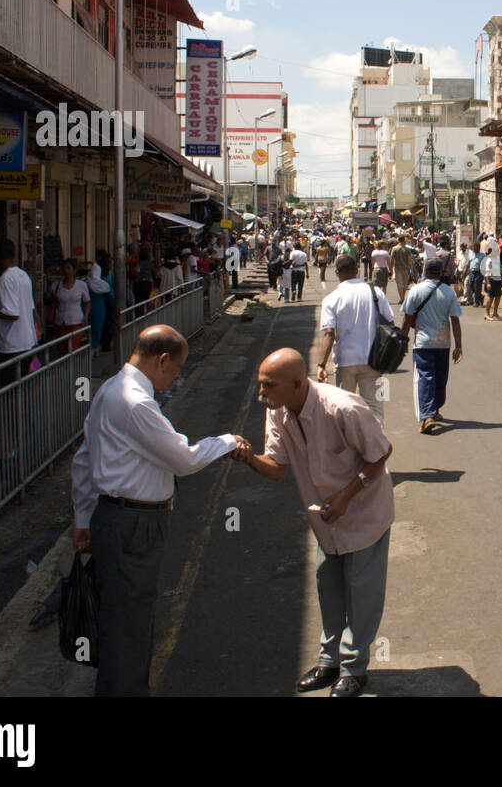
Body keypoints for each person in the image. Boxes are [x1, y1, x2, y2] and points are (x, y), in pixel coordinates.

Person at [71, 325, 241, 696]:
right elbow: (183, 458)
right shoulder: (136, 402)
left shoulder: (110, 390)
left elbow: (84, 460)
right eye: (177, 367)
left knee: (125, 619)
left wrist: (83, 519)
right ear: (161, 360)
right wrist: (226, 441)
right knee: (128, 626)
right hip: (134, 523)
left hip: (116, 518)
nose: (177, 375)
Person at [233, 348, 393, 697]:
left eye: (268, 386)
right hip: (325, 519)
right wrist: (247, 457)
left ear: (295, 384)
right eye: (260, 386)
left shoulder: (342, 407)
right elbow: (276, 469)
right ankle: (329, 662)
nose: (262, 394)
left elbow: (380, 453)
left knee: (361, 594)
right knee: (329, 588)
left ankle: (354, 669)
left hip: (364, 514)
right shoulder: (278, 410)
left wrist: (348, 496)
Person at [317, 255, 394, 425]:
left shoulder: (331, 299)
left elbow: (329, 333)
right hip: (373, 361)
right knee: (374, 408)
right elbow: (390, 321)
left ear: (337, 273)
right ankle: (375, 447)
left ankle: (348, 446)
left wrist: (321, 365)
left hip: (345, 363)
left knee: (343, 408)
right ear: (357, 269)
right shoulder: (375, 292)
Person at [402, 258, 464, 434]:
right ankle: (433, 410)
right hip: (443, 343)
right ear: (440, 273)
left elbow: (406, 319)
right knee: (440, 378)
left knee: (426, 377)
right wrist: (458, 345)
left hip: (422, 343)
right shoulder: (449, 293)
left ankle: (429, 414)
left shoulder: (415, 290)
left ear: (426, 272)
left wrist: (404, 340)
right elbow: (455, 320)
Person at [0, 238, 40, 385]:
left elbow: (12, 314)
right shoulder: (23, 275)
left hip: (13, 344)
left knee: (10, 388)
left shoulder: (6, 279)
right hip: (26, 341)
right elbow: (31, 308)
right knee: (18, 387)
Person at [48, 258, 90, 354]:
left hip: (76, 321)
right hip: (60, 321)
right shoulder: (57, 285)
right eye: (64, 268)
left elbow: (87, 302)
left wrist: (86, 316)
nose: (66, 270)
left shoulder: (82, 285)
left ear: (74, 270)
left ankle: (72, 367)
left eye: (68, 268)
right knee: (62, 348)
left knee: (73, 347)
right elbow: (50, 297)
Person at [89, 251, 115, 356]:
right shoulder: (109, 274)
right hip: (108, 300)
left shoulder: (96, 276)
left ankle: (98, 344)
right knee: (107, 322)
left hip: (100, 302)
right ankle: (104, 343)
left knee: (100, 324)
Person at [483, 244, 502, 321]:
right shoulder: (489, 260)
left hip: (498, 279)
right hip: (491, 280)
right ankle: (487, 314)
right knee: (490, 297)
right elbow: (487, 272)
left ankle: (495, 313)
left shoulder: (497, 259)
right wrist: (488, 283)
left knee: (498, 296)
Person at [390, 236, 413, 304]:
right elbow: (410, 261)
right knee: (405, 284)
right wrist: (411, 270)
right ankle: (403, 297)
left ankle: (401, 298)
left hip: (398, 268)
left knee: (399, 284)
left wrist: (391, 269)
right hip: (406, 269)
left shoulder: (394, 249)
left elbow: (392, 260)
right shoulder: (407, 249)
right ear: (404, 240)